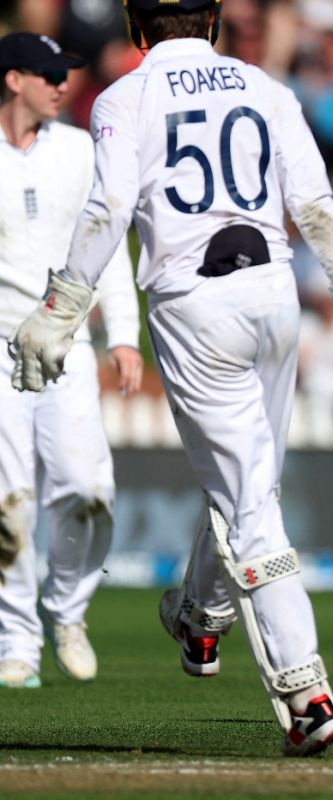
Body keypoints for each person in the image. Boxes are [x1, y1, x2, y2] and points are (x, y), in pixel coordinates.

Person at [6, 0, 333, 756]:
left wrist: (60, 311)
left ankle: (306, 692)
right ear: (214, 21)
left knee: (248, 499)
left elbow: (110, 205)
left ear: (135, 27)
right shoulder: (265, 88)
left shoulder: (126, 96)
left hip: (194, 302)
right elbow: (314, 207)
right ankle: (201, 615)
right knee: (253, 484)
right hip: (275, 297)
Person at [0, 32, 143, 689]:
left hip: (66, 347)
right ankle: (17, 643)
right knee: (10, 504)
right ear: (13, 80)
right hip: (0, 351)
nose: (64, 84)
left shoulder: (81, 149)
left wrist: (124, 334)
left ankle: (67, 611)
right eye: (49, 73)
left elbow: (106, 244)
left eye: (67, 73)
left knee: (87, 489)